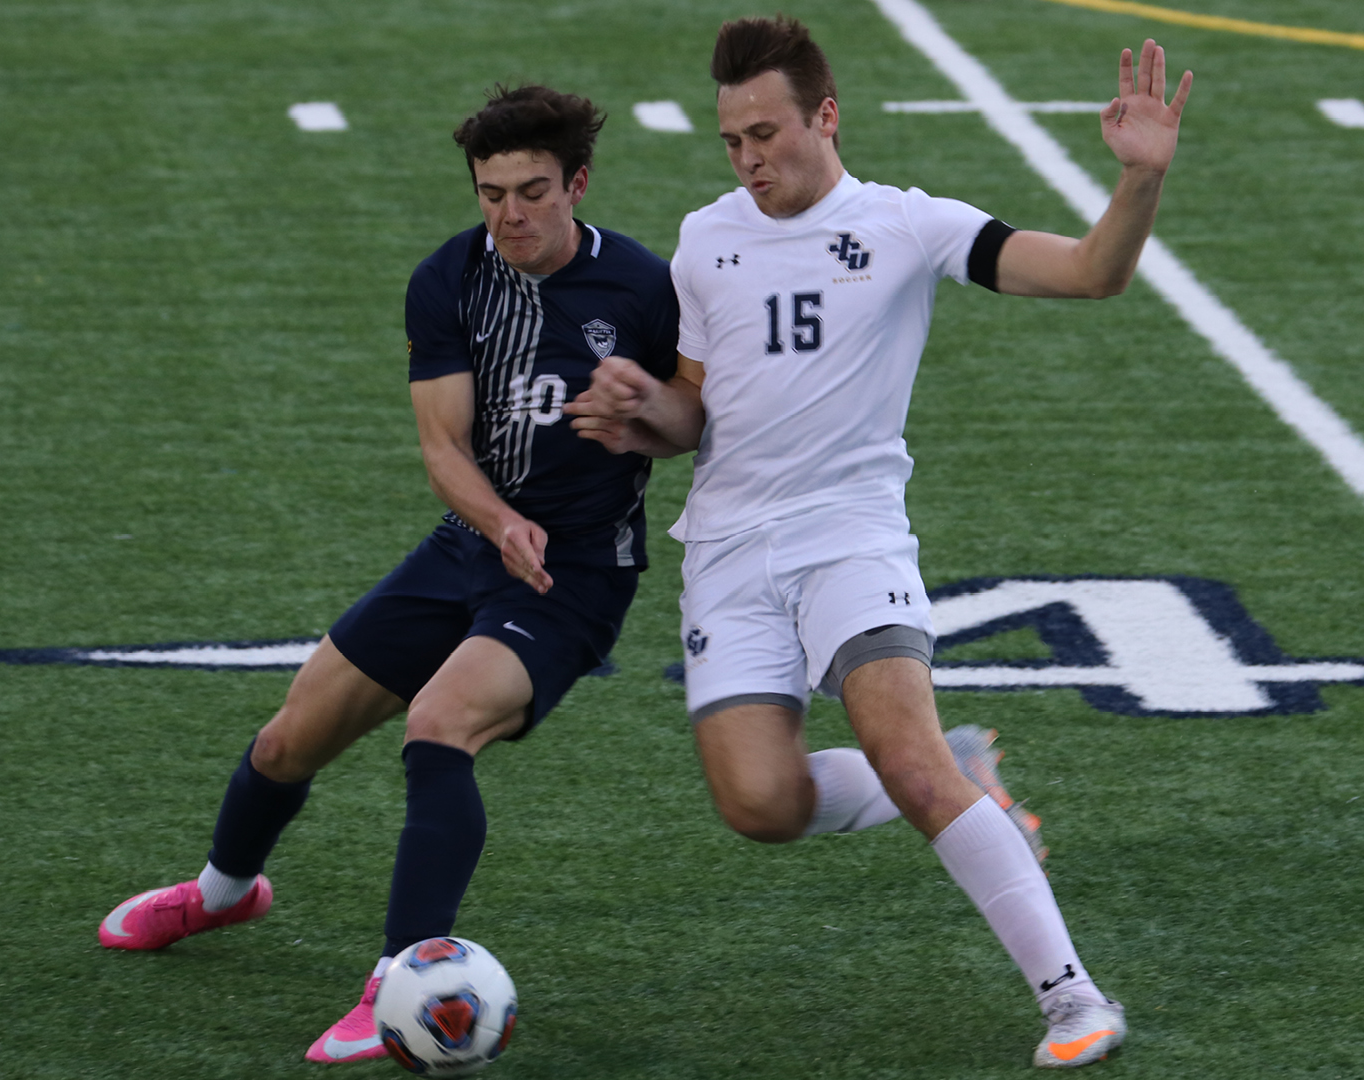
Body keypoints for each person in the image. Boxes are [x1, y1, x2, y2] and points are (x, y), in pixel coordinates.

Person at [565, 15, 1192, 1069]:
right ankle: (963, 775)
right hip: (726, 552)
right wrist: (639, 409)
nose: (748, 159)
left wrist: (1140, 177)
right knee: (759, 804)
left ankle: (1074, 999)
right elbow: (692, 416)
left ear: (826, 115)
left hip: (850, 537)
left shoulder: (909, 225)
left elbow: (1093, 272)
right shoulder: (705, 239)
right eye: (732, 141)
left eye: (766, 134)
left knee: (908, 760)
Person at [97, 84, 679, 1064]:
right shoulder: (449, 278)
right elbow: (442, 446)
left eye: (532, 191)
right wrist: (499, 522)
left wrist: (645, 408)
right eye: (491, 193)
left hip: (573, 577)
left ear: (577, 183)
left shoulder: (644, 287)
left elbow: (696, 424)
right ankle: (222, 893)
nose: (510, 214)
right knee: (288, 739)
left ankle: (399, 980)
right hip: (468, 545)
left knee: (440, 725)